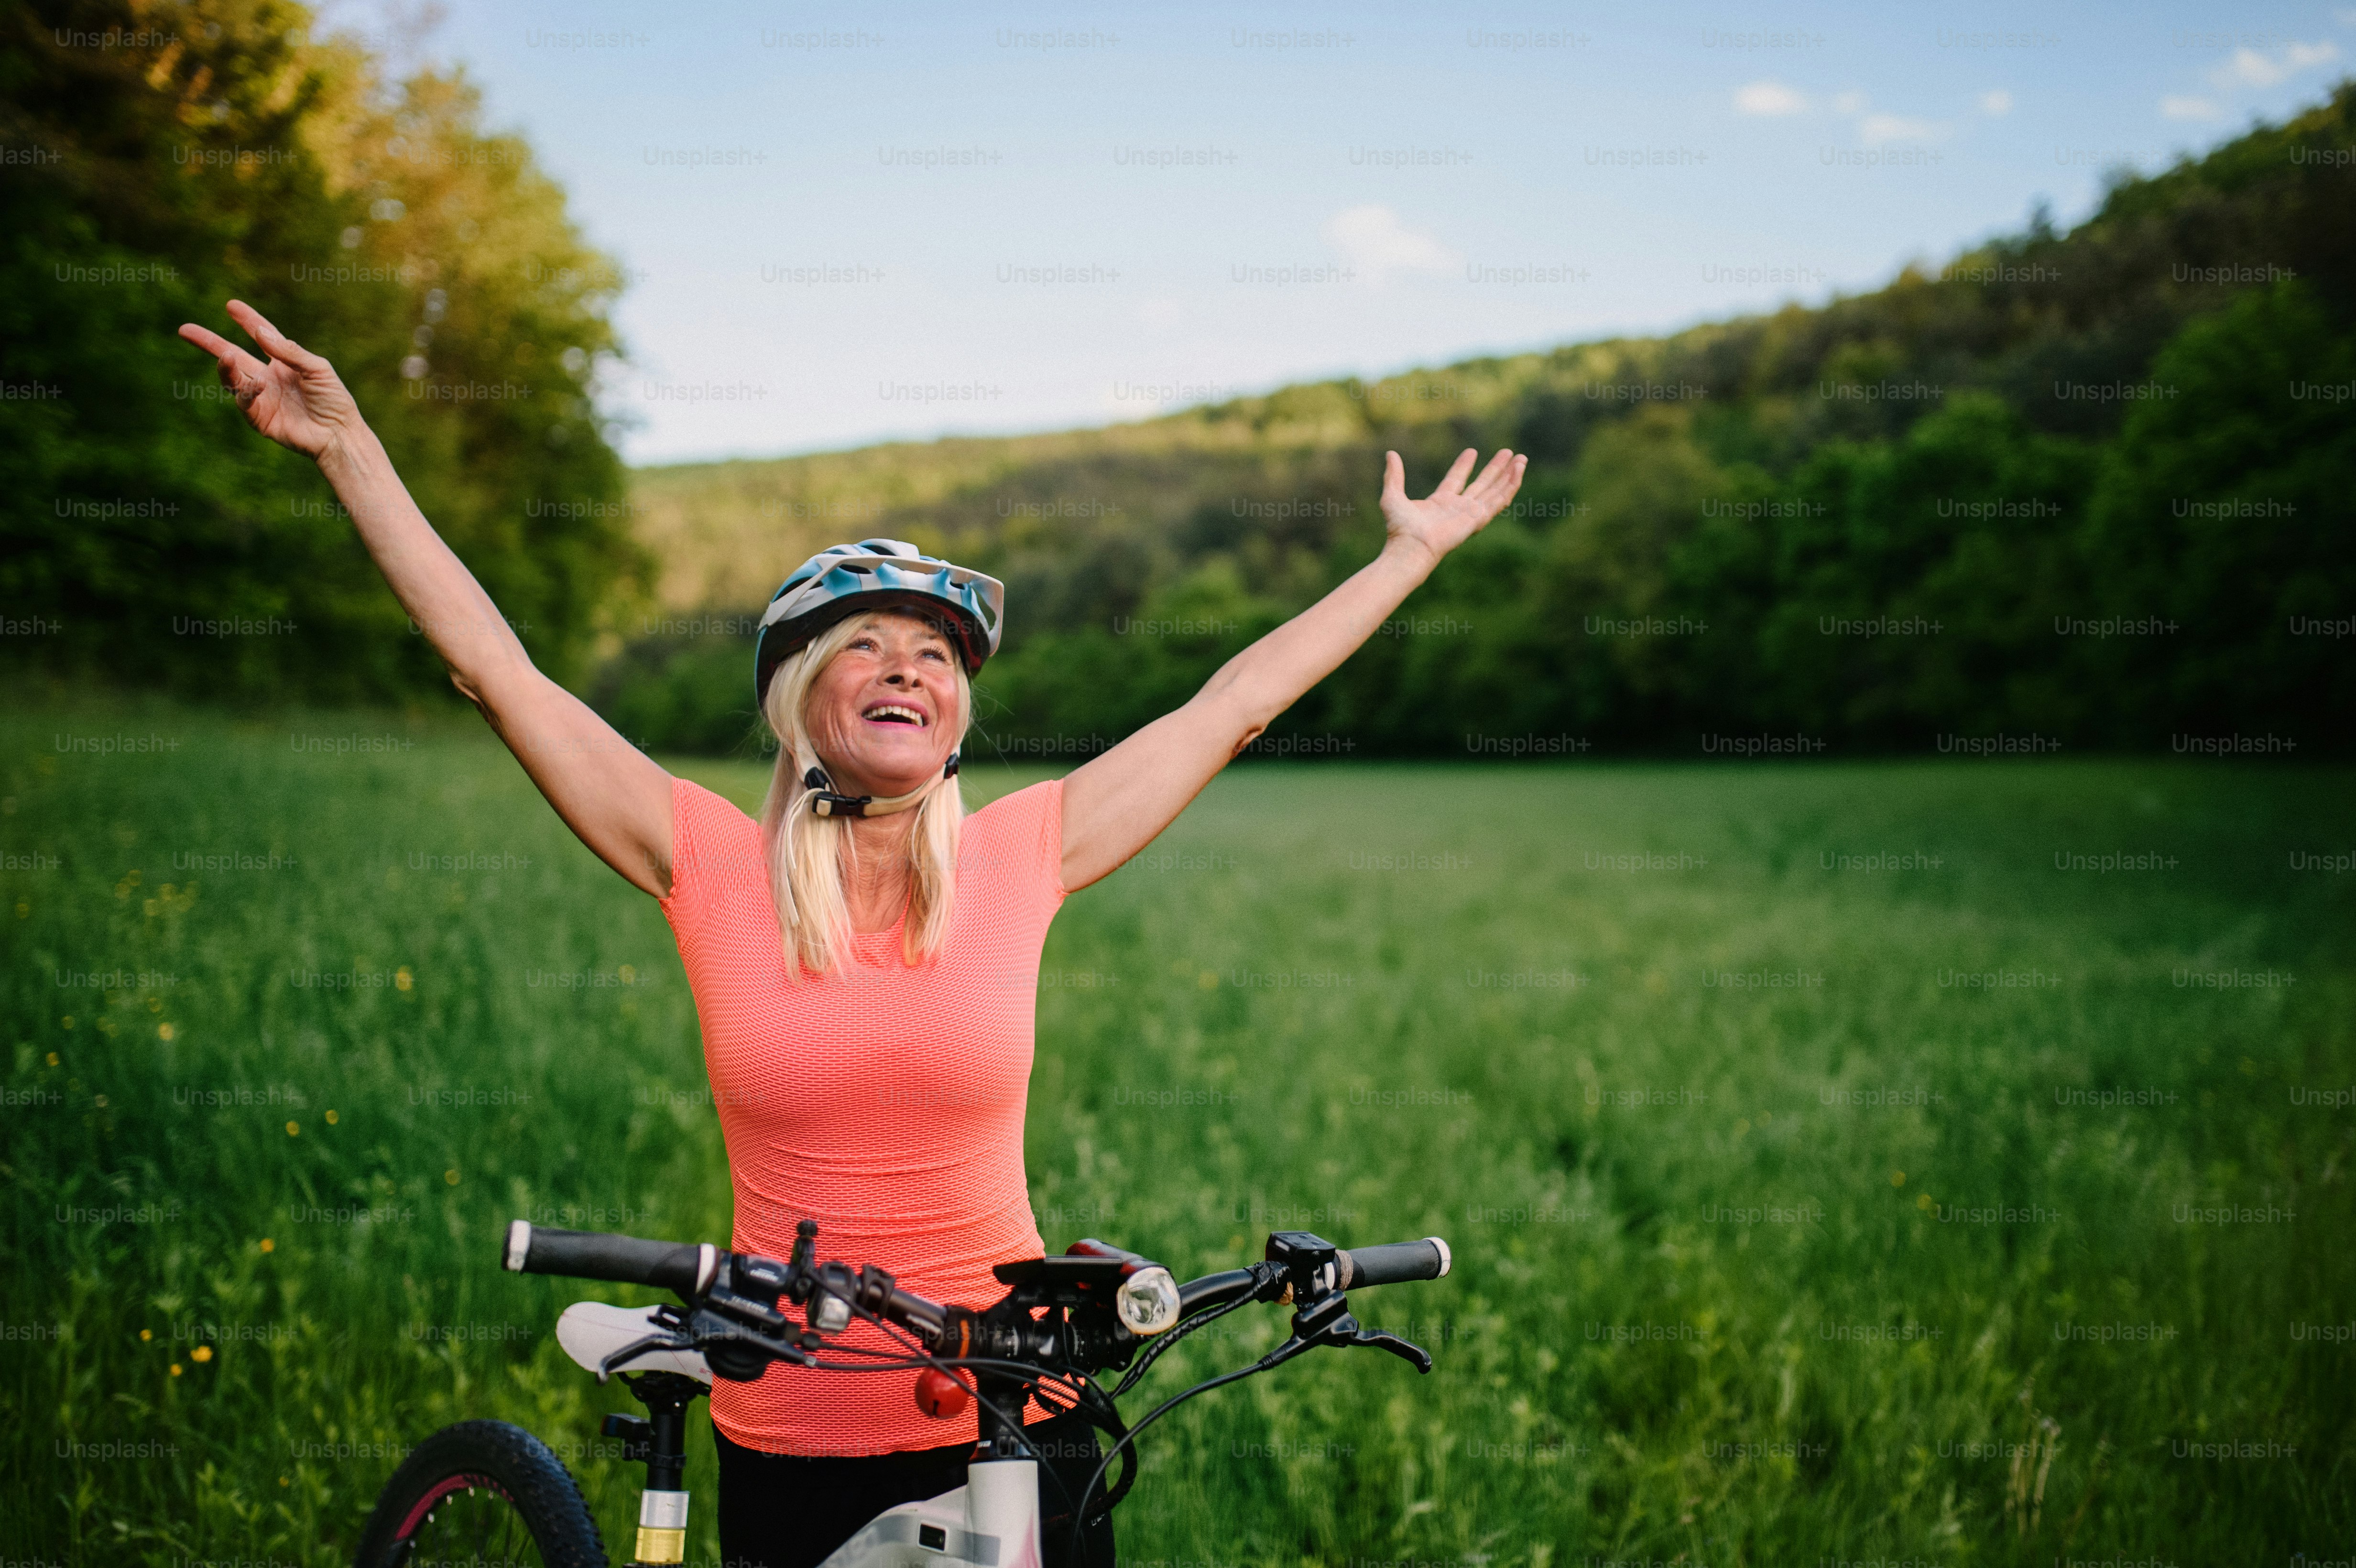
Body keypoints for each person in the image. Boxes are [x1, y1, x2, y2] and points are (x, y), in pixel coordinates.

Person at [179, 300, 1526, 1567]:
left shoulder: (1021, 851)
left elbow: (1231, 705)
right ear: (800, 699)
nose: (910, 668)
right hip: (794, 1430)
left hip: (1020, 1412)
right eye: (868, 645)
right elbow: (496, 670)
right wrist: (350, 451)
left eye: (937, 655)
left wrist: (1406, 557)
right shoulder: (708, 859)